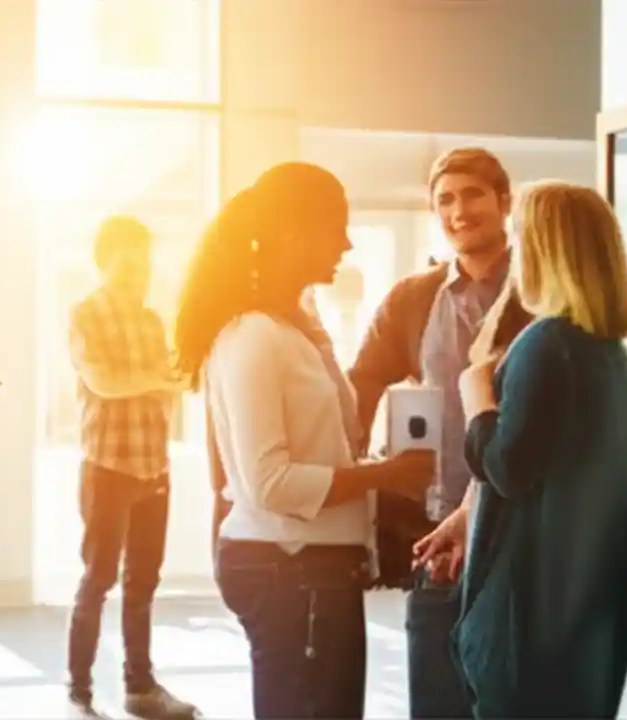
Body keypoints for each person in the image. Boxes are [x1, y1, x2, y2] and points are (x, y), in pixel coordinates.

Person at [178, 162, 436, 719]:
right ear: (294, 232)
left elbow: (329, 442)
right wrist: (386, 476)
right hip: (290, 569)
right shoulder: (253, 336)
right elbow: (270, 483)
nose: (345, 242)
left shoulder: (292, 327)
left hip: (311, 569)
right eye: (336, 226)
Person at [417, 181, 627, 717]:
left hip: (531, 610)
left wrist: (476, 398)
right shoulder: (607, 354)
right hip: (586, 604)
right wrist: (469, 515)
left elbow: (508, 466)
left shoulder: (547, 344)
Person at [348, 147, 513, 718]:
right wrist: (354, 471)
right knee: (436, 694)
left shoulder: (540, 292)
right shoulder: (413, 298)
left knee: (503, 695)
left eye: (472, 195)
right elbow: (363, 381)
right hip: (434, 530)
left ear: (504, 202)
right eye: (445, 199)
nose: (458, 210)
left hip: (516, 530)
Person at [64, 216, 195, 720]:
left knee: (144, 582)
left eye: (143, 258)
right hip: (107, 467)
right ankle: (79, 692)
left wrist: (158, 380)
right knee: (97, 580)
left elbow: (175, 382)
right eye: (126, 258)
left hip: (153, 468)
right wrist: (157, 380)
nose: (137, 268)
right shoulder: (85, 314)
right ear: (105, 260)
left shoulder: (150, 320)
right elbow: (103, 382)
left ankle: (140, 688)